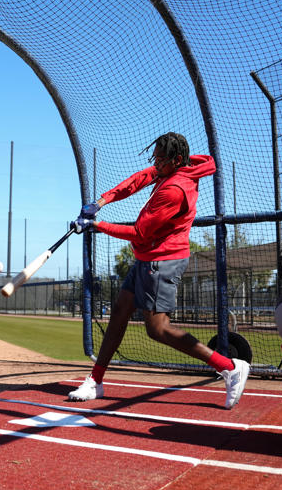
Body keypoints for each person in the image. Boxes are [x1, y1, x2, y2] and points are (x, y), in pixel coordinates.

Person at [69, 132, 249, 409]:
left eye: (161, 160)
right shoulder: (170, 169)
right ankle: (96, 380)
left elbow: (139, 233)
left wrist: (96, 225)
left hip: (163, 261)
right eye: (156, 158)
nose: (156, 165)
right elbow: (138, 180)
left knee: (158, 329)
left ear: (176, 160)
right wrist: (102, 202)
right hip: (147, 257)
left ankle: (230, 367)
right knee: (120, 312)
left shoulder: (175, 189)